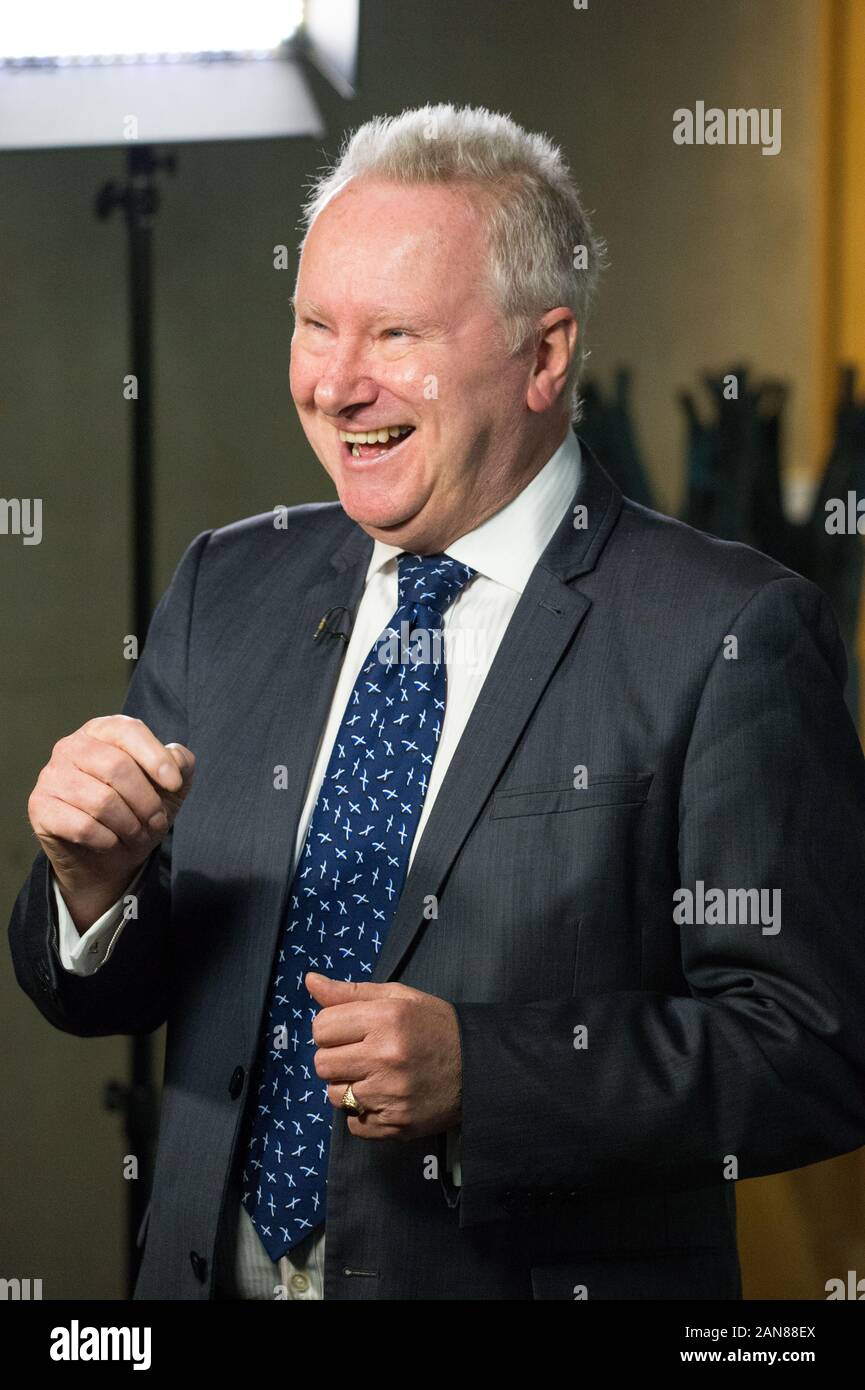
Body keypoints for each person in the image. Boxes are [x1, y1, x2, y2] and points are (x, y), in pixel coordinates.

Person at [10, 104, 865, 1301]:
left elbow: (817, 1050)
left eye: (396, 333)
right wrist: (90, 889)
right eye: (314, 325)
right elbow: (130, 983)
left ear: (546, 354)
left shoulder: (725, 632)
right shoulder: (227, 583)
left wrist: (495, 1077)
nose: (338, 384)